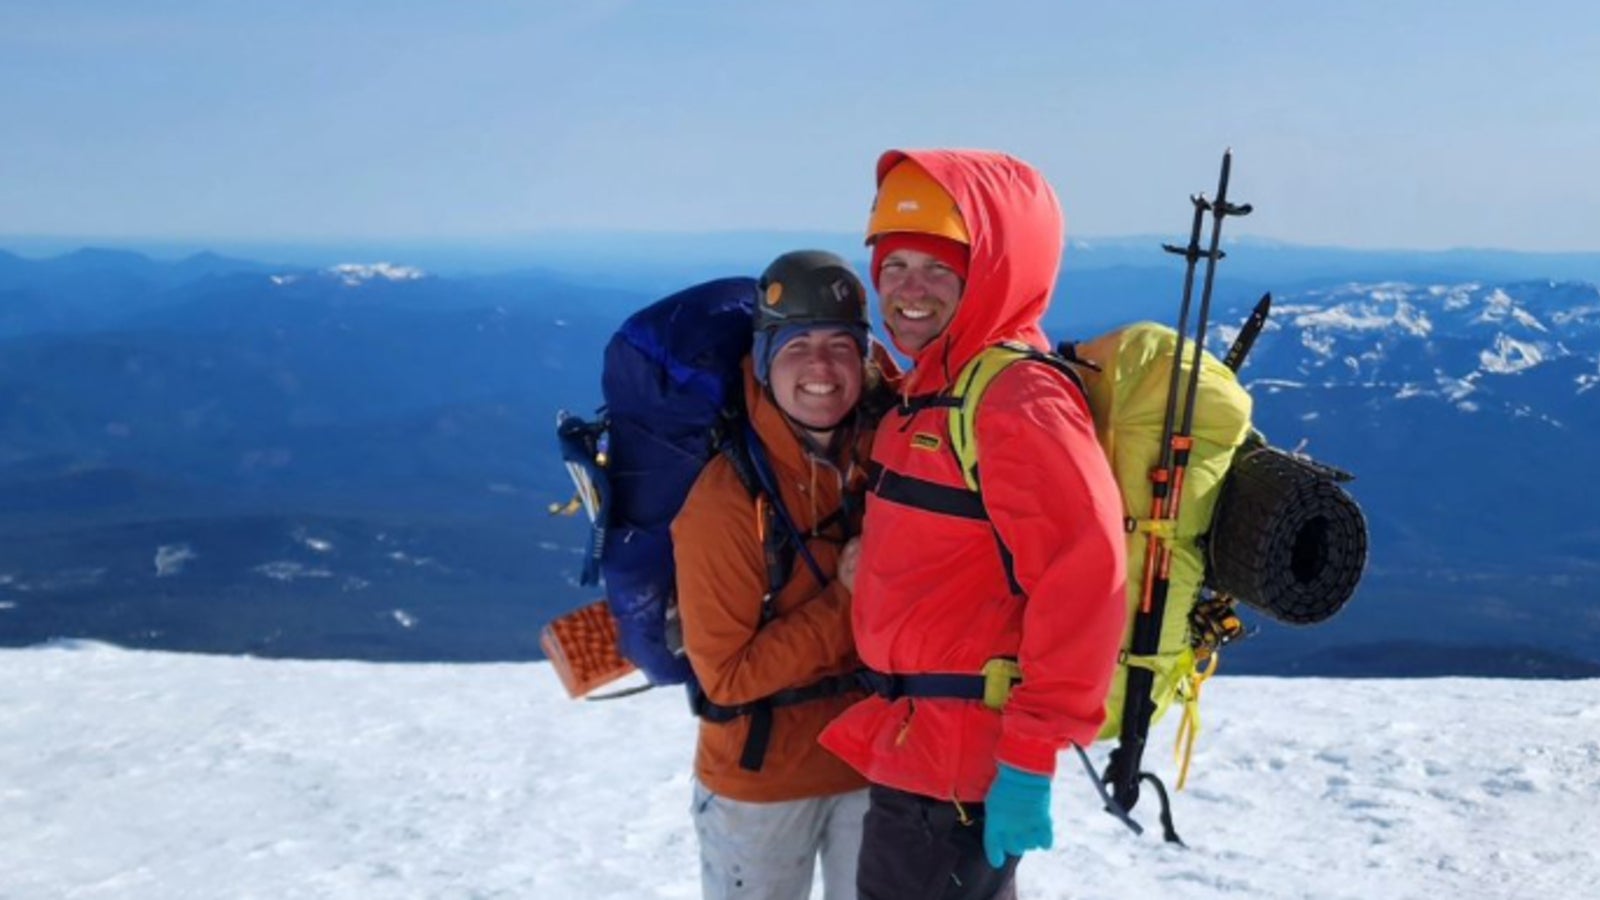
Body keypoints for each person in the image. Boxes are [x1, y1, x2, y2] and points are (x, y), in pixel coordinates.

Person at [819, 151, 1128, 900]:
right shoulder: (938, 387)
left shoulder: (1016, 400)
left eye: (938, 267)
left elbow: (1087, 582)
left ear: (992, 270)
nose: (907, 291)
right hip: (917, 752)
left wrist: (1028, 756)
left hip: (957, 772)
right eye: (893, 267)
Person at [672, 250, 894, 900]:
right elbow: (728, 676)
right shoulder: (726, 496)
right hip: (760, 788)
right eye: (798, 345)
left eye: (840, 347)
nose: (821, 368)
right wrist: (844, 601)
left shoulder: (885, 452)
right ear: (765, 360)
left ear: (866, 360)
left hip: (870, 763)